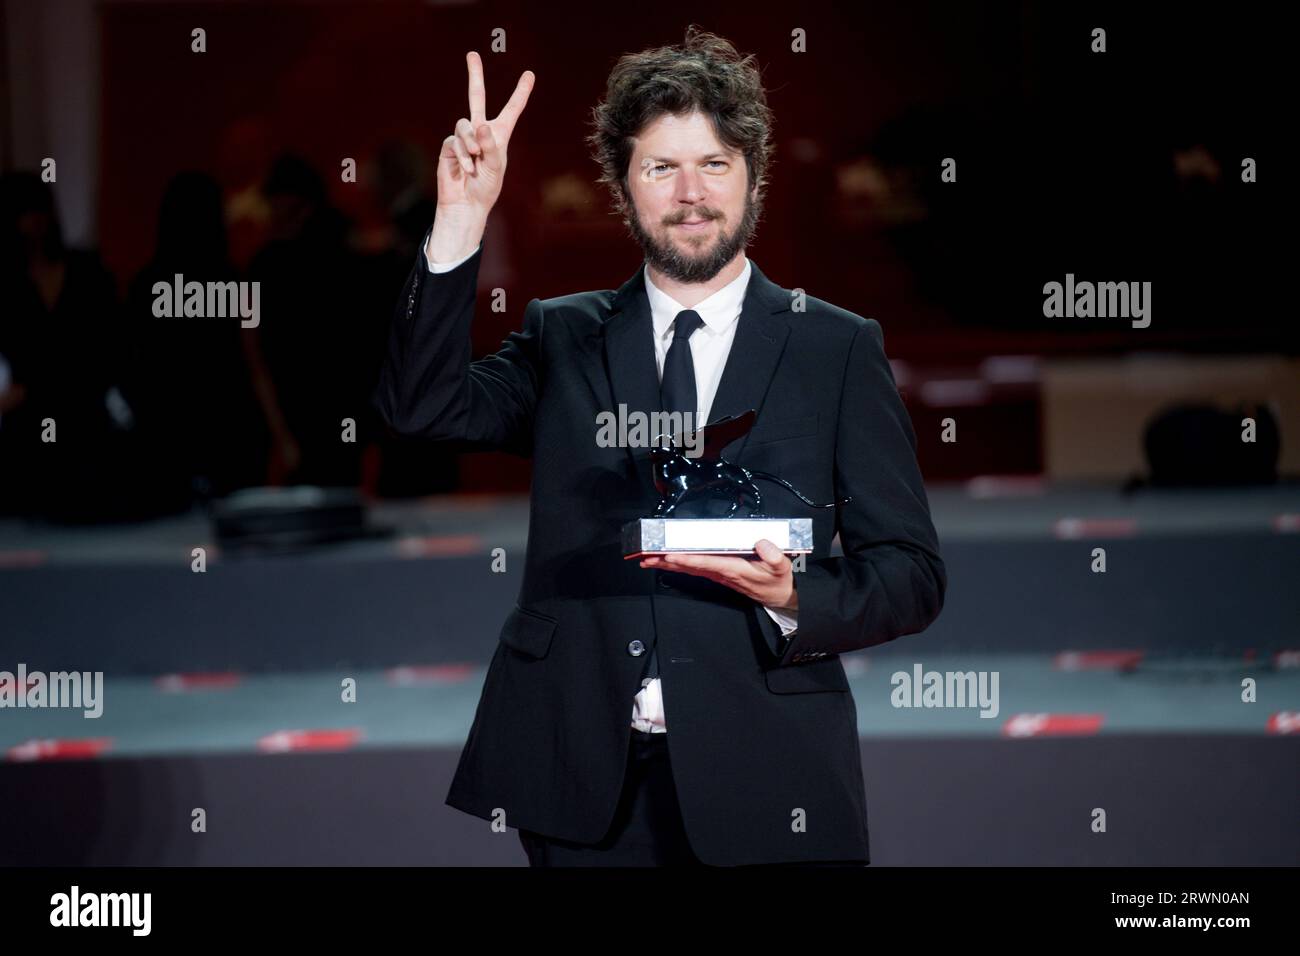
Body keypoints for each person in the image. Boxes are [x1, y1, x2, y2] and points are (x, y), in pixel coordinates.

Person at [373, 27, 946, 866]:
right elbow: (420, 411)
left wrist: (795, 595)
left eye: (714, 164)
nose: (690, 194)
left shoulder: (835, 348)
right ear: (622, 185)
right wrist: (461, 220)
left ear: (754, 176)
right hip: (582, 783)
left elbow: (911, 574)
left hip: (769, 772)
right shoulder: (561, 336)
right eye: (660, 167)